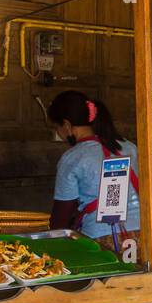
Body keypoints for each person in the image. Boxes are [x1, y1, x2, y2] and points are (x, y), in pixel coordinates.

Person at [48, 91, 141, 253]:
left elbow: (60, 218)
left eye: (57, 128)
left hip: (101, 240)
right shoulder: (131, 148)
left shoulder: (73, 158)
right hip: (144, 234)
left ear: (67, 125)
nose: (59, 134)